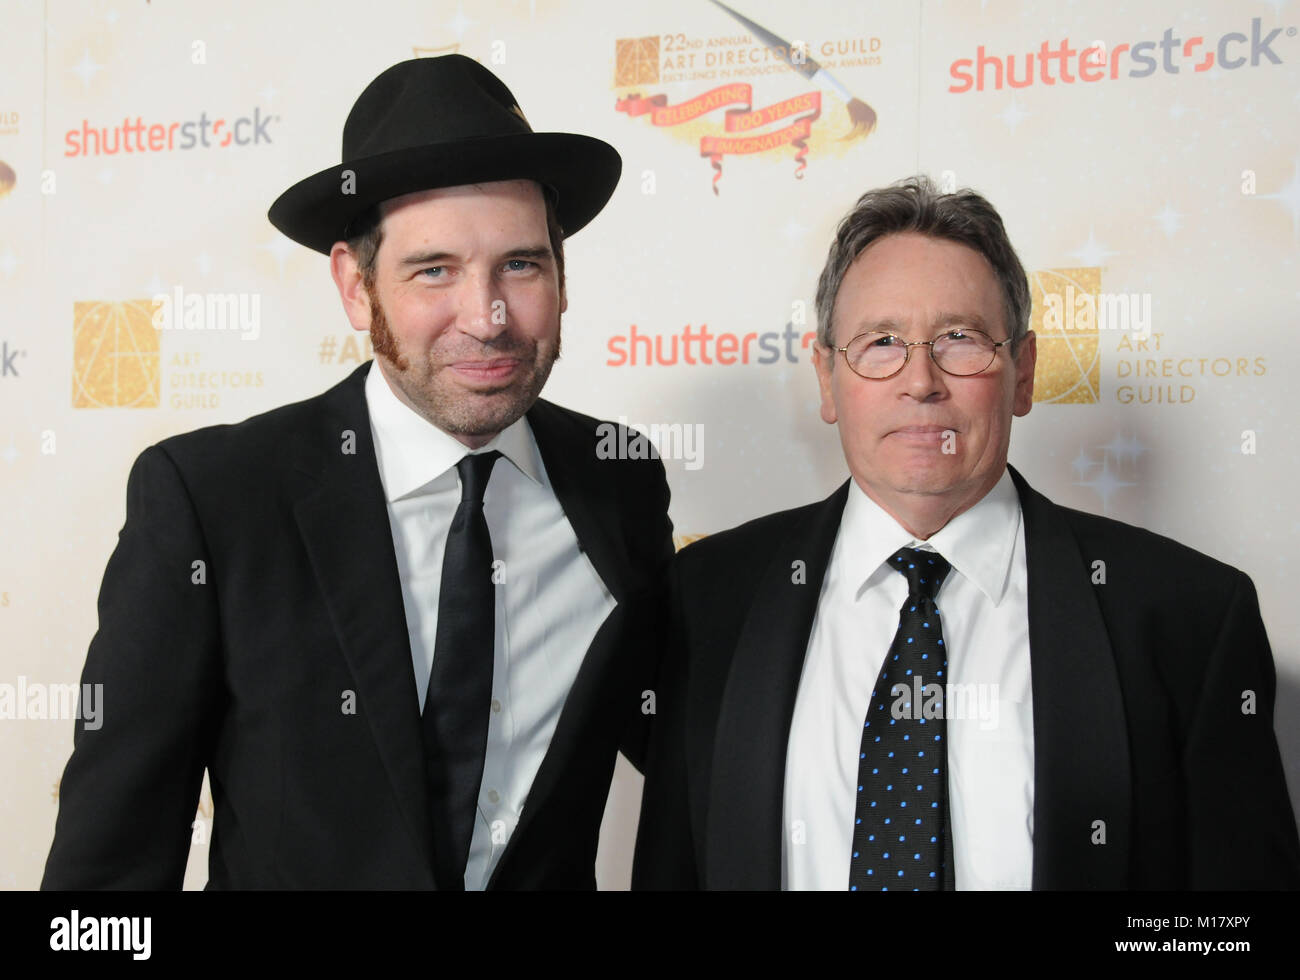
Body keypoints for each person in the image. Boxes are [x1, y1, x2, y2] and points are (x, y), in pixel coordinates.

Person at [43, 55, 672, 890]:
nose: (486, 319)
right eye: (434, 270)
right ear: (353, 284)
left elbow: (694, 740)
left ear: (561, 277)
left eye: (520, 265)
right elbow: (108, 872)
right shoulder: (212, 501)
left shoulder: (616, 479)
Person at [632, 175, 1300, 890]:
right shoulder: (707, 601)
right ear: (826, 378)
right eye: (881, 341)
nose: (920, 381)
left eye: (960, 339)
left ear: (1024, 373)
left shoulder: (1188, 615)